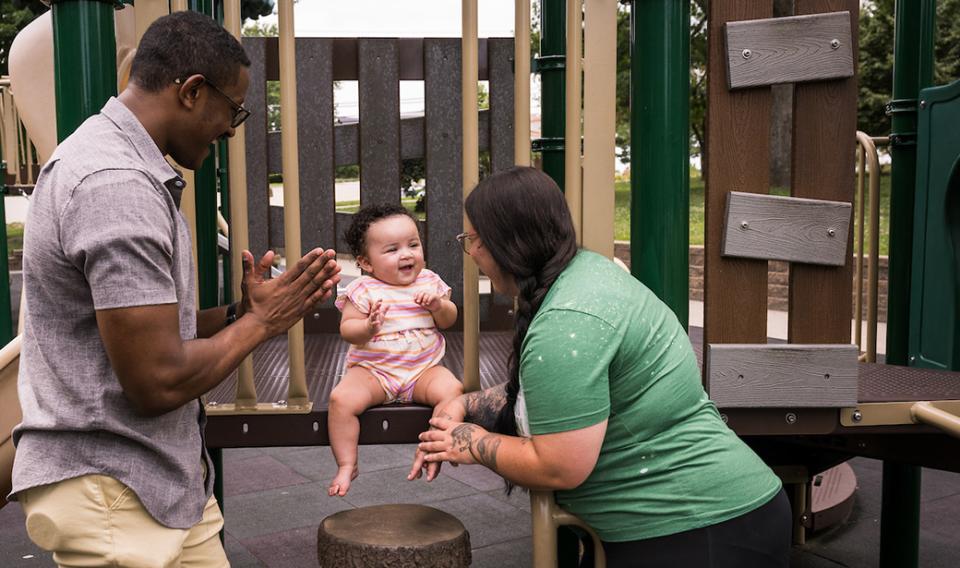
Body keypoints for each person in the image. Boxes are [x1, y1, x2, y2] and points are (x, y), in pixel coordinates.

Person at [8, 12, 341, 567]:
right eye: (232, 109)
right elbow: (157, 381)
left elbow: (153, 332)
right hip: (114, 491)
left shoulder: (114, 163)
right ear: (190, 91)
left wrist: (240, 311)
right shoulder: (114, 186)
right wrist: (265, 322)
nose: (233, 128)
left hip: (157, 486)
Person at [414, 166, 791, 567]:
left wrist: (470, 441)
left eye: (473, 240)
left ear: (508, 242)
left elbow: (559, 466)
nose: (471, 253)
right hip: (714, 519)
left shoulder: (567, 320)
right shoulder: (586, 273)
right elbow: (561, 396)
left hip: (698, 530)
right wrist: (467, 403)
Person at [328, 204, 462, 496]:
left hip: (424, 371)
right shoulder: (363, 289)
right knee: (340, 400)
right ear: (366, 262)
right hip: (374, 373)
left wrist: (439, 306)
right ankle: (347, 463)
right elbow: (347, 329)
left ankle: (435, 445)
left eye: (413, 244)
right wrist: (368, 328)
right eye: (392, 250)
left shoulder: (430, 282)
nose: (406, 254)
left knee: (453, 390)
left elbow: (449, 320)